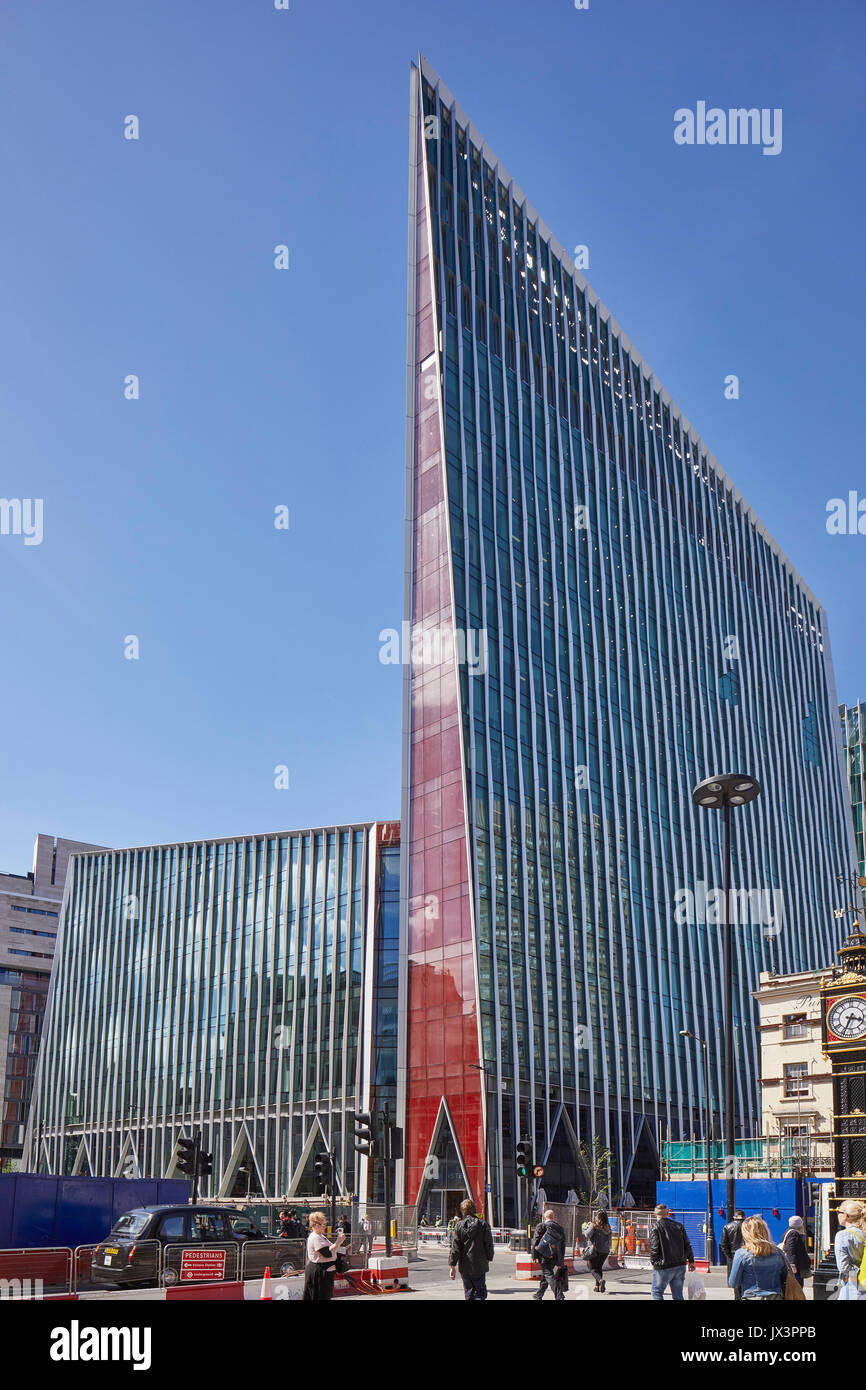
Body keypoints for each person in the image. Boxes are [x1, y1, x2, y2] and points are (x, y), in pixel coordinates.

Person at [728, 1217, 788, 1301]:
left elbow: (733, 1283)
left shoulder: (741, 1254)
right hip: (776, 1296)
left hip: (751, 1295)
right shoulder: (779, 1253)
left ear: (746, 1233)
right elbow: (788, 1276)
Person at [448, 1197, 495, 1300]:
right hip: (480, 1264)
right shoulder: (483, 1225)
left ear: (463, 1210)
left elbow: (455, 1247)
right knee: (480, 1293)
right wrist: (489, 1257)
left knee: (469, 1292)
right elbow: (489, 1244)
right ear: (474, 1209)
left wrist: (452, 1266)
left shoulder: (459, 1226)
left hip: (465, 1265)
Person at [649, 1204, 695, 1301]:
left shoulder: (655, 1227)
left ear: (654, 1214)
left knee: (657, 1292)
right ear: (668, 1213)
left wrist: (652, 1260)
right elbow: (687, 1244)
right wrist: (691, 1260)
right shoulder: (678, 1226)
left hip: (663, 1265)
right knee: (678, 1294)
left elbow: (655, 1247)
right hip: (680, 1264)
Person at [302, 1210, 345, 1301]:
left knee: (324, 1295)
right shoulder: (315, 1237)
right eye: (323, 1224)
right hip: (319, 1271)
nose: (325, 1227)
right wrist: (338, 1242)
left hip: (324, 1271)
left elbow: (331, 1250)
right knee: (319, 1296)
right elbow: (327, 1253)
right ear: (316, 1225)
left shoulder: (320, 1236)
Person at [530, 1208, 568, 1301]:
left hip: (544, 1255)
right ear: (553, 1217)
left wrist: (533, 1255)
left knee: (548, 1274)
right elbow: (563, 1245)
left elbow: (535, 1241)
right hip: (556, 1255)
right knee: (546, 1274)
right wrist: (561, 1260)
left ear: (545, 1217)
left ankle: (559, 1295)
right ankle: (539, 1295)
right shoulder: (559, 1228)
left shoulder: (541, 1226)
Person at [834, 1198, 866, 1300]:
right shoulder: (864, 1232)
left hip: (853, 1284)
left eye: (839, 1211)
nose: (837, 1214)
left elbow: (843, 1267)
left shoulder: (842, 1235)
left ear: (846, 1216)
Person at [583, 1211, 612, 1293]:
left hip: (595, 1250)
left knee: (592, 1268)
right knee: (599, 1267)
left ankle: (600, 1281)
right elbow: (609, 1239)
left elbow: (587, 1235)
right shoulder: (608, 1227)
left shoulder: (594, 1225)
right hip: (605, 1251)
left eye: (596, 1216)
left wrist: (587, 1227)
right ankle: (597, 1286)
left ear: (598, 1218)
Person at [720, 1209, 745, 1300]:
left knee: (736, 1283)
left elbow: (723, 1244)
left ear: (734, 1217)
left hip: (734, 1256)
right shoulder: (749, 1226)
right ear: (744, 1216)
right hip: (748, 1255)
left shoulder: (727, 1227)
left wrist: (729, 1256)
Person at [781, 1216, 811, 1288]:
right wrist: (792, 1264)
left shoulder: (788, 1232)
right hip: (796, 1267)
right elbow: (790, 1249)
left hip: (794, 1266)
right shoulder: (793, 1233)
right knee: (798, 1287)